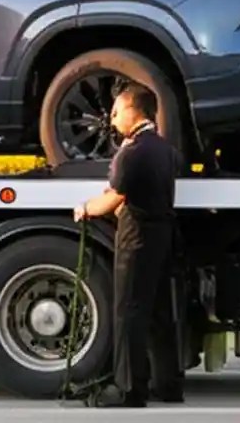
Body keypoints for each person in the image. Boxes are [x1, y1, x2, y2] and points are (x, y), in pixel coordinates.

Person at [73, 84, 184, 408]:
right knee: (160, 312)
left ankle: (129, 389)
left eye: (117, 112)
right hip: (164, 234)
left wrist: (85, 208)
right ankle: (168, 385)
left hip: (137, 236)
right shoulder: (166, 149)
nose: (113, 119)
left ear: (133, 111)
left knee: (129, 312)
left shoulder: (132, 152)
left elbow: (114, 198)